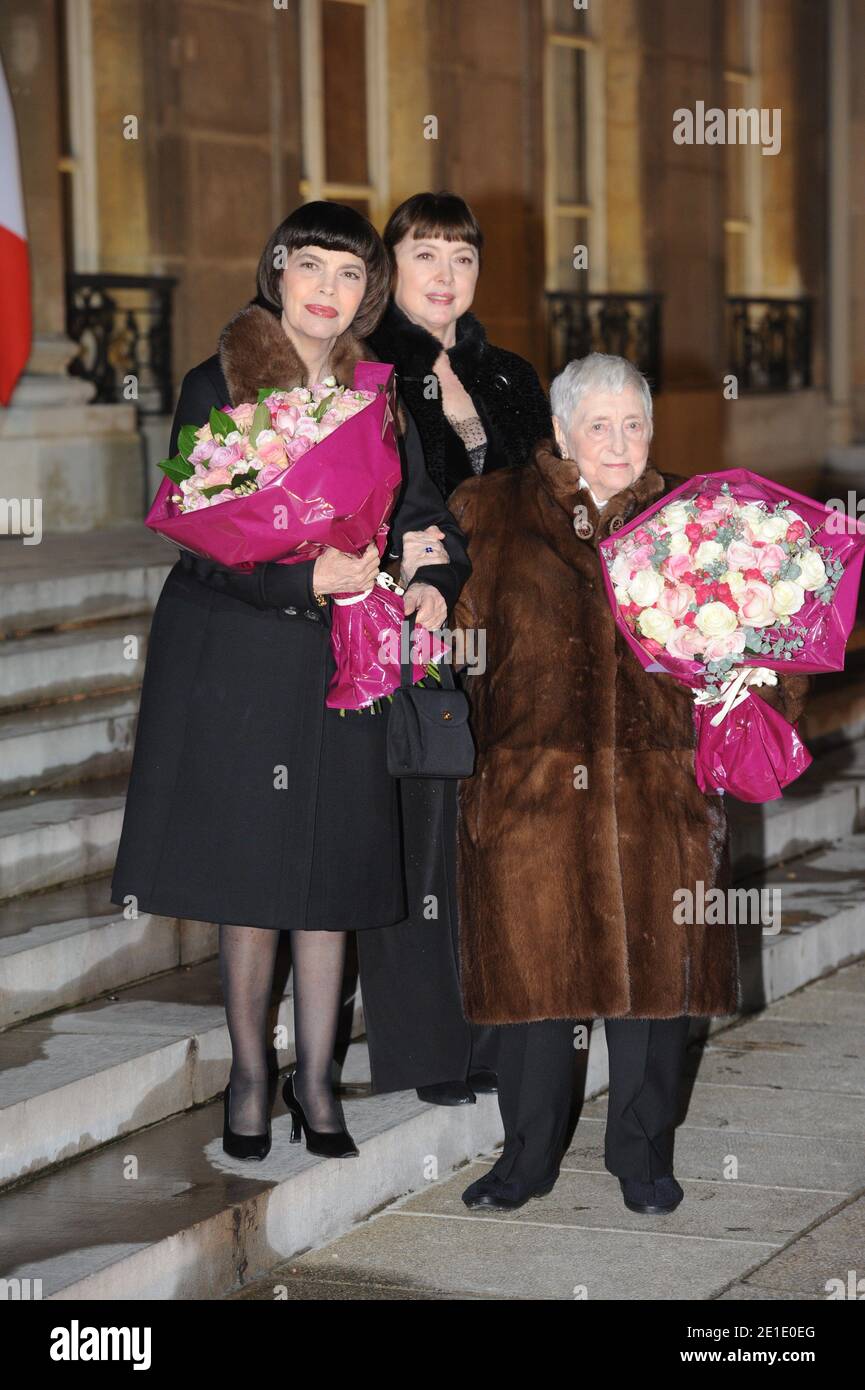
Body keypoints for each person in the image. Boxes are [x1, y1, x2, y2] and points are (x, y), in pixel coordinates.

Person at [110, 201, 469, 1161]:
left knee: (335, 875)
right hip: (242, 657)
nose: (328, 291)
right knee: (255, 881)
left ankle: (318, 1082)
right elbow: (195, 535)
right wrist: (295, 576)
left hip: (346, 662)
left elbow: (424, 515)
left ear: (368, 295)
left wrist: (430, 581)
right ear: (278, 272)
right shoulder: (214, 382)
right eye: (312, 268)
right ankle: (250, 1076)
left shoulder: (383, 394)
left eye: (351, 276)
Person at [448, 352, 811, 1212]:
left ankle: (642, 1155)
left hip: (658, 794)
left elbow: (779, 640)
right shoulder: (491, 513)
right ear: (562, 431)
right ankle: (525, 1157)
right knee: (535, 988)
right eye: (598, 425)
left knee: (654, 989)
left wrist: (753, 680)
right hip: (529, 793)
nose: (617, 443)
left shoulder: (705, 522)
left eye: (633, 424)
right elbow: (454, 645)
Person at [356, 191, 554, 1105]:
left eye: (461, 258)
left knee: (494, 842)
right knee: (421, 844)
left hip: (512, 638)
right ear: (391, 265)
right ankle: (426, 1052)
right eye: (424, 254)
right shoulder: (364, 370)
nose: (444, 275)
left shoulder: (512, 374)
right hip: (416, 632)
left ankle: (489, 1039)